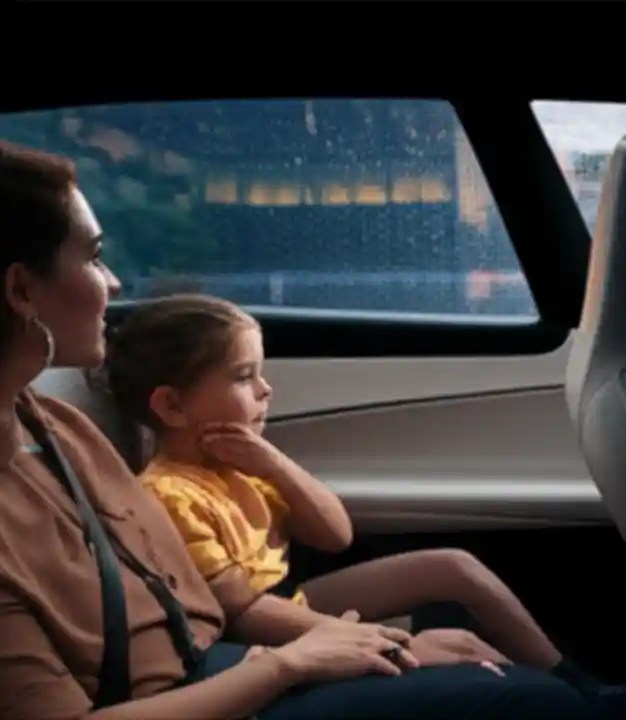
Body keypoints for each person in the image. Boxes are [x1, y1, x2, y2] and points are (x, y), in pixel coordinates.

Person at [0, 138, 593, 720]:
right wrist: (295, 661)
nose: (114, 285)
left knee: (488, 660)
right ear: (22, 290)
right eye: (95, 256)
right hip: (211, 689)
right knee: (534, 703)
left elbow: (195, 600)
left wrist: (366, 647)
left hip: (220, 660)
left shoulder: (53, 424)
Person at [100, 292, 626, 720]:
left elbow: (333, 535)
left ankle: (581, 685)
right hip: (256, 618)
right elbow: (243, 613)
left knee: (452, 566)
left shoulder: (242, 464)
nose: (266, 390)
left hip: (290, 592)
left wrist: (275, 465)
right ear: (173, 407)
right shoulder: (169, 494)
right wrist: (376, 642)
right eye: (244, 377)